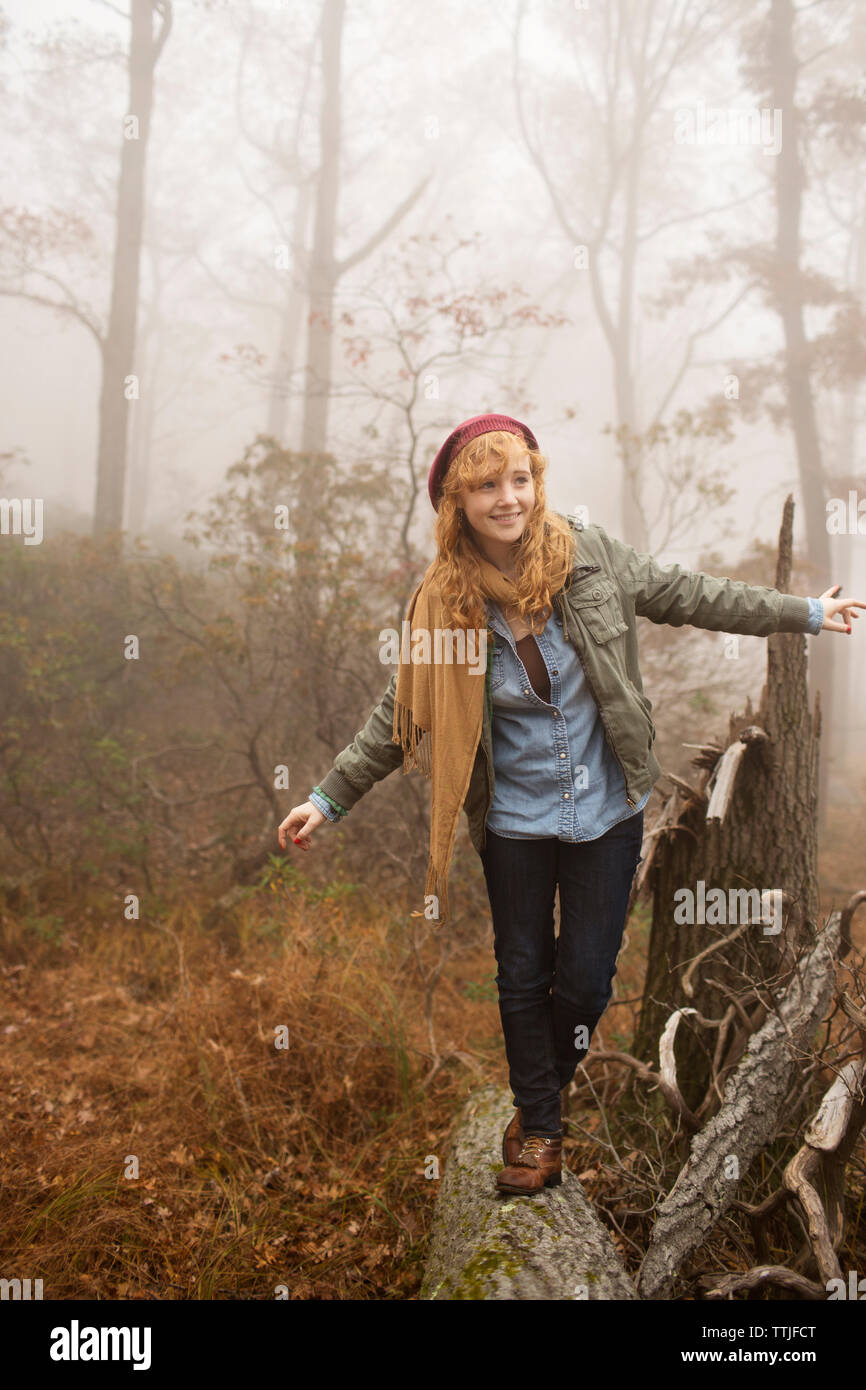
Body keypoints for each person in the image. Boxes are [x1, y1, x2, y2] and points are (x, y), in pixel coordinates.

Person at [278, 413, 861, 1196]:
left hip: (607, 810)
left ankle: (535, 1100)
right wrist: (327, 798)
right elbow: (400, 712)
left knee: (585, 982)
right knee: (522, 973)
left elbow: (691, 593)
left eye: (519, 478)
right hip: (513, 821)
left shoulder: (588, 558)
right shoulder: (446, 602)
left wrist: (803, 613)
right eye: (487, 485)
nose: (508, 497)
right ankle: (543, 1133)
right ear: (459, 501)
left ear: (536, 481)